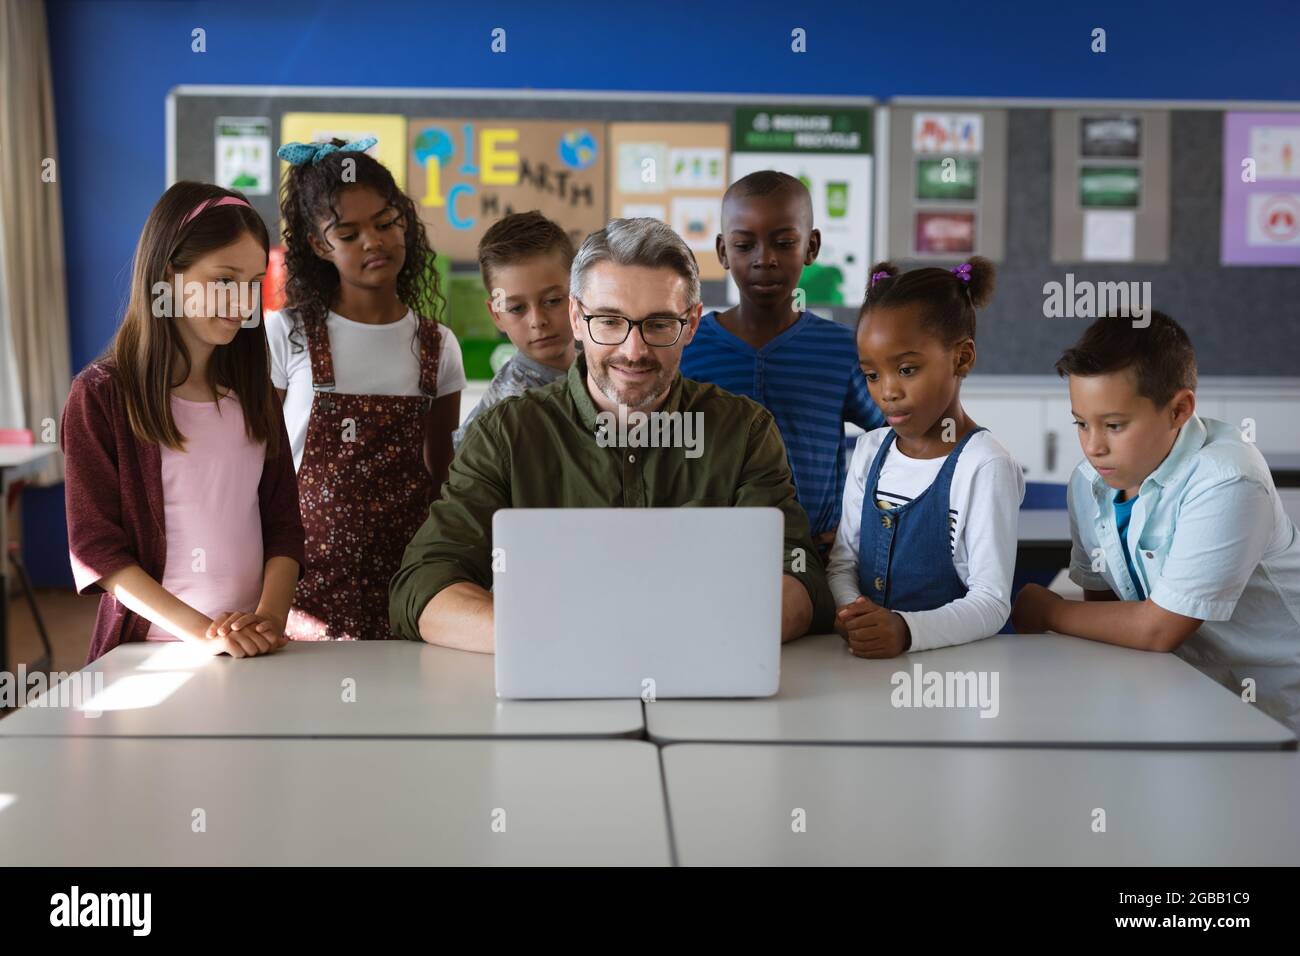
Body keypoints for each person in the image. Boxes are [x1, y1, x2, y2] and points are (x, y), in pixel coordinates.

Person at [390, 217, 833, 652]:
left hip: (706, 692)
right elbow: (424, 585)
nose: (633, 351)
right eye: (609, 321)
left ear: (693, 323)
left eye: (659, 324)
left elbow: (798, 576)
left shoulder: (744, 432)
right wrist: (561, 638)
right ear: (577, 319)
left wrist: (679, 636)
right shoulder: (504, 435)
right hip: (550, 690)